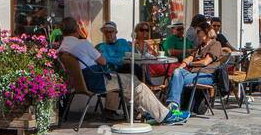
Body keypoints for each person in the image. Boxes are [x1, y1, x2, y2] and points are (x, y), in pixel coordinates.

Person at [57, 18, 186, 125]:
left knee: (131, 82)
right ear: (77, 29)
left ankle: (148, 111)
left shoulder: (63, 47)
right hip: (98, 80)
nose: (109, 34)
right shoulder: (82, 44)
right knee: (136, 84)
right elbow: (102, 61)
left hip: (85, 81)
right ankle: (165, 115)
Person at [164, 16, 229, 111]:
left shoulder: (215, 44)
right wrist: (182, 65)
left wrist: (190, 64)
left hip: (207, 75)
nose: (196, 34)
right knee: (177, 72)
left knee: (177, 77)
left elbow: (205, 62)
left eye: (199, 32)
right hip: (195, 74)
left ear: (206, 32)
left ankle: (172, 106)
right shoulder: (200, 46)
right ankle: (173, 105)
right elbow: (190, 57)